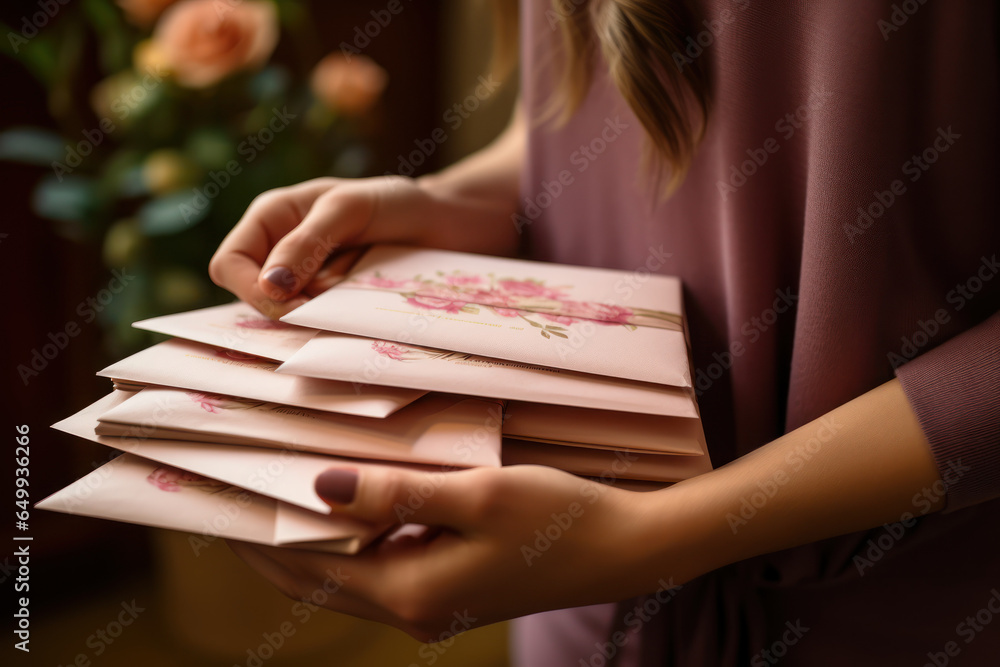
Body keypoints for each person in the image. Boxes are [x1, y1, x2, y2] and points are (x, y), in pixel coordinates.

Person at [210, 1, 1000, 664]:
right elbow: (585, 118)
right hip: (569, 577)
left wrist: (659, 535)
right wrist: (447, 200)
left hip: (907, 612)